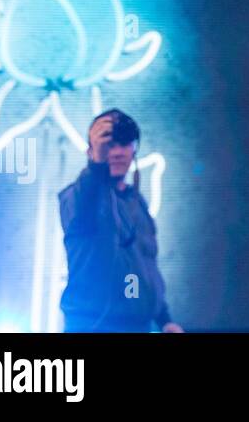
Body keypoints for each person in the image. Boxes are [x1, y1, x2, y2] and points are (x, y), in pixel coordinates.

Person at [58, 110, 182, 332]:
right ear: (91, 151)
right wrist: (96, 165)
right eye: (109, 145)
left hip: (139, 325)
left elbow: (144, 264)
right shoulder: (76, 197)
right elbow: (83, 204)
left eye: (123, 143)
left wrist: (165, 319)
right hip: (92, 325)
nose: (116, 152)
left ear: (134, 150)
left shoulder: (137, 202)